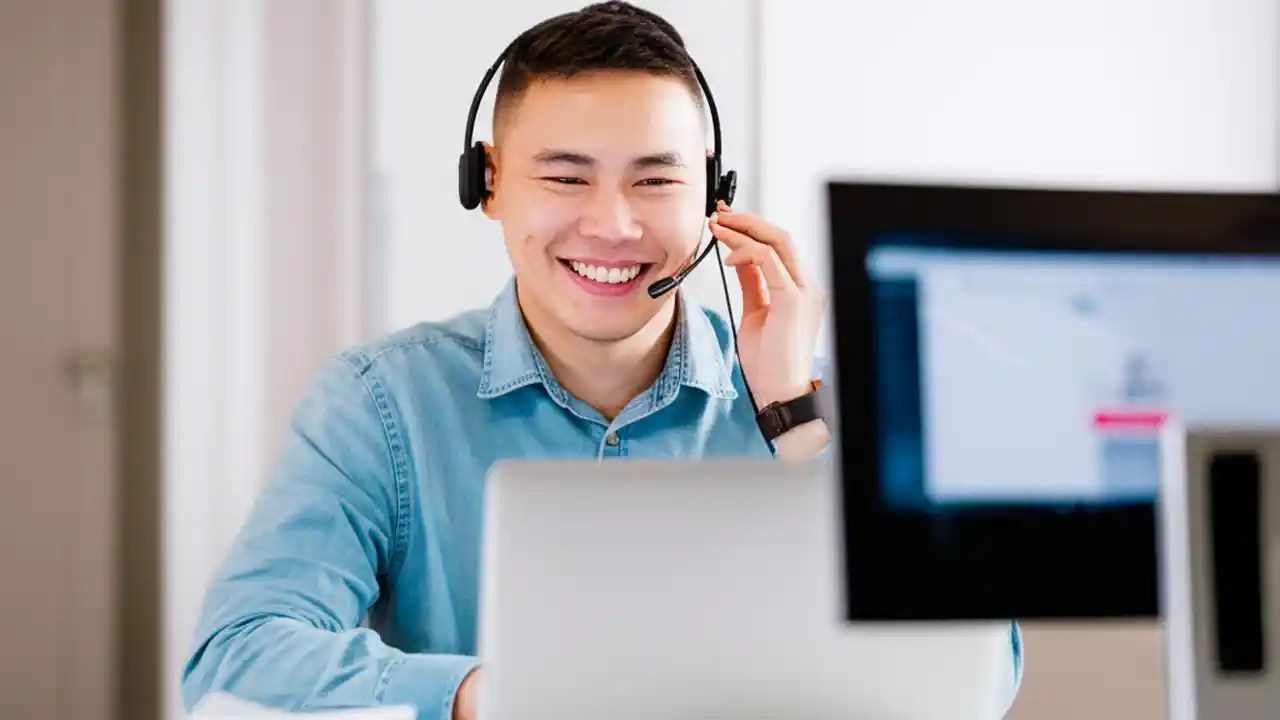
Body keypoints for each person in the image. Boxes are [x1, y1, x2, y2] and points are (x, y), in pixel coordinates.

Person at [181, 4, 1018, 719]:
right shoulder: (381, 402)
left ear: (713, 197)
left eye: (655, 181)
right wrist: (491, 694)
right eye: (567, 178)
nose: (613, 227)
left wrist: (796, 417)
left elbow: (978, 682)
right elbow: (237, 657)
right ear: (491, 184)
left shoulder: (813, 398)